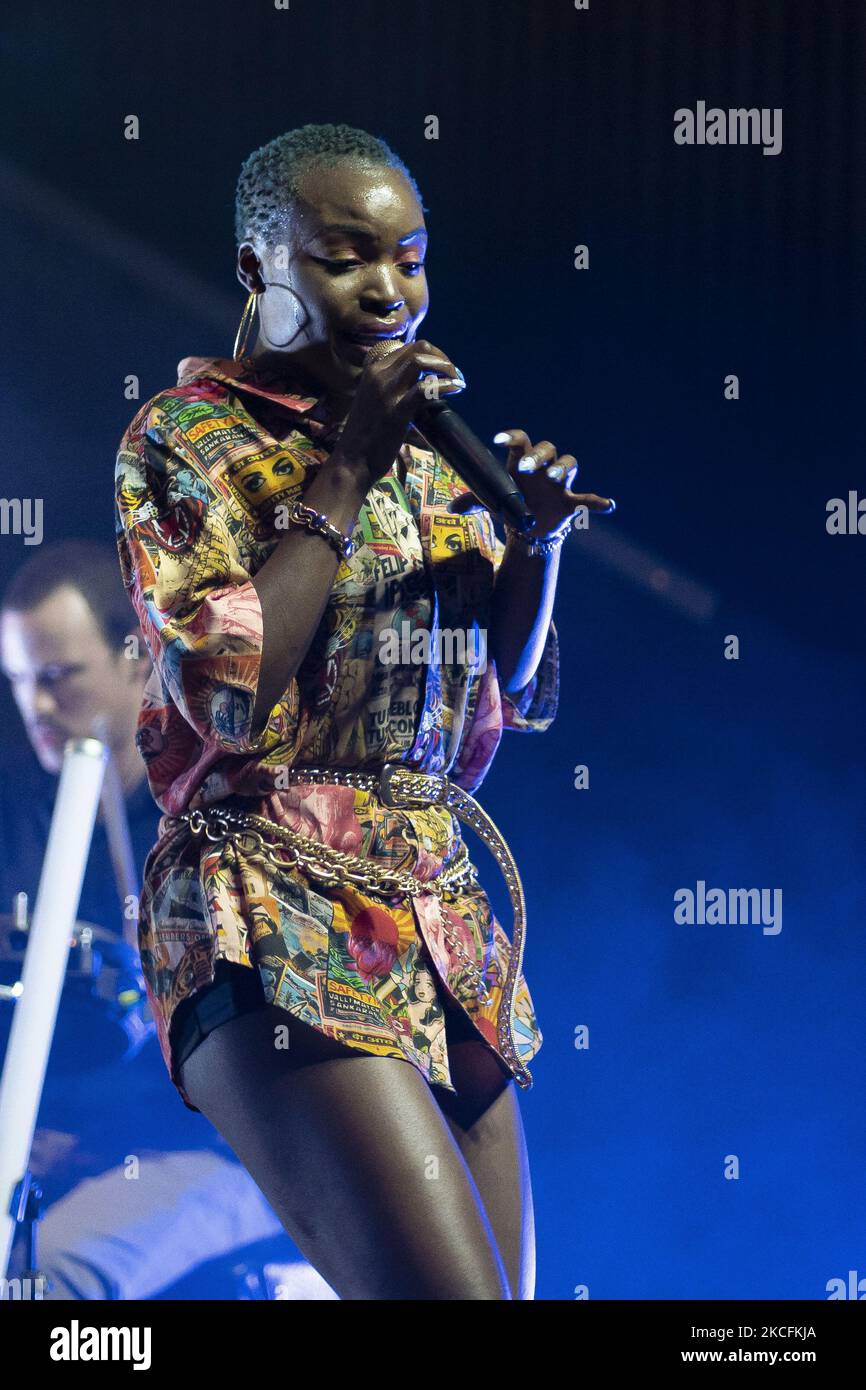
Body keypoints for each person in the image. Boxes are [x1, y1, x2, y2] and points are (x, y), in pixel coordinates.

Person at [114, 122, 614, 1301]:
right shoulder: (187, 444)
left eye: (409, 257)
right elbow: (228, 694)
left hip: (432, 916)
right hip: (264, 905)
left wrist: (532, 550)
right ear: (259, 267)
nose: (388, 290)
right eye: (345, 257)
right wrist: (340, 467)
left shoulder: (432, 462)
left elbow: (494, 694)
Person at [0, 542, 328, 1299]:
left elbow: (254, 1052)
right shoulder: (22, 827)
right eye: (19, 683)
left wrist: (92, 1140)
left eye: (59, 677)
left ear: (132, 656)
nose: (36, 707)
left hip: (227, 1154)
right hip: (70, 1156)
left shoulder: (212, 817)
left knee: (41, 1283)